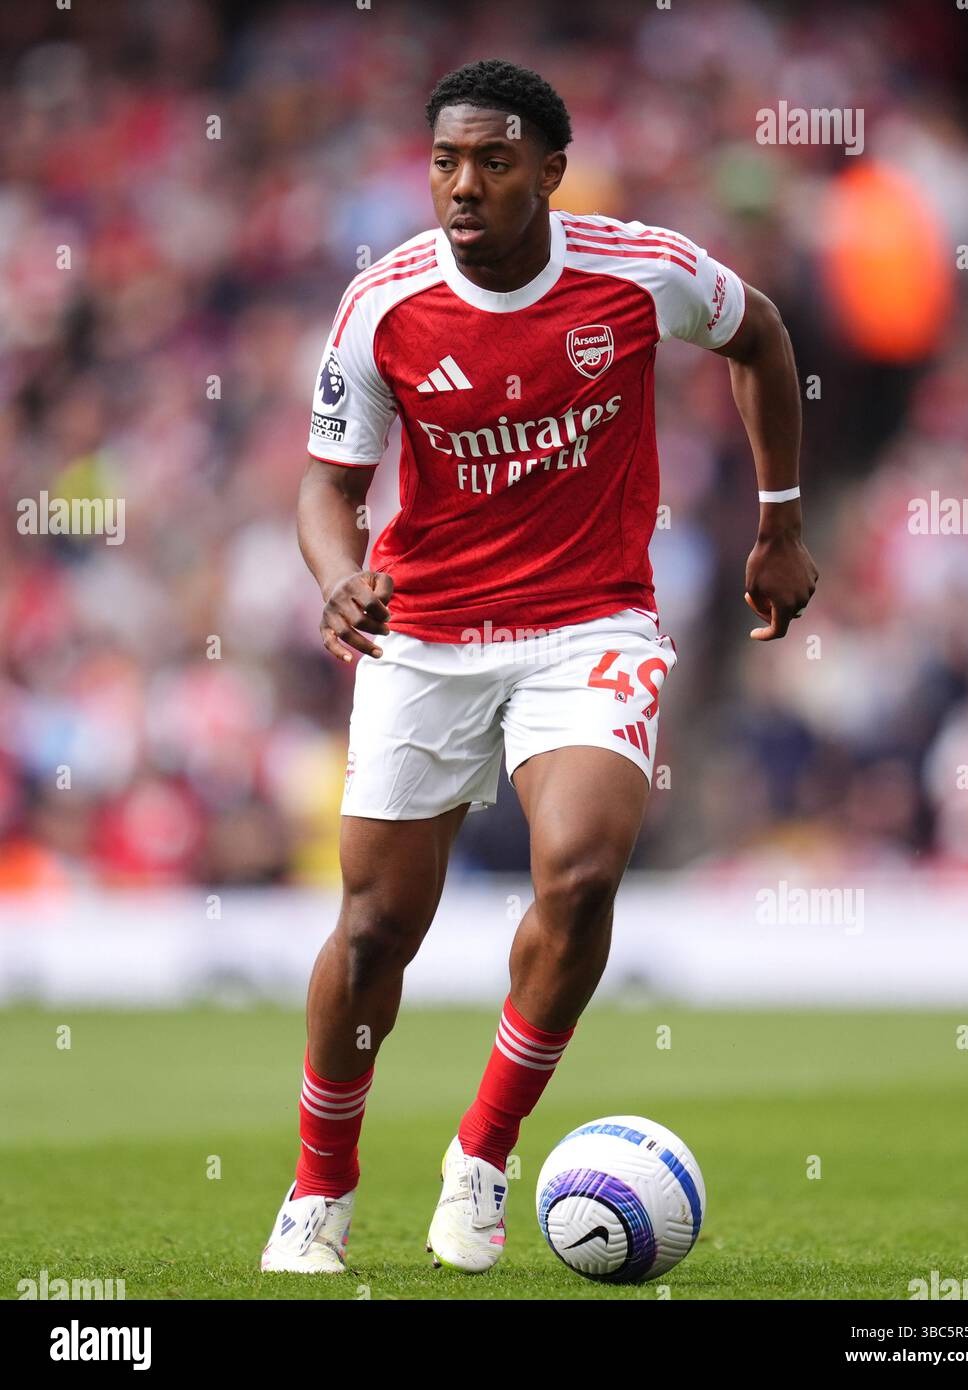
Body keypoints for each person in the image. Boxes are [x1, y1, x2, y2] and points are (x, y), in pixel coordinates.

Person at [261, 58, 817, 1275]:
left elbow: (762, 334)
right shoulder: (383, 305)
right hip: (430, 631)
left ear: (550, 173)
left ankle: (482, 1154)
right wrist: (334, 574)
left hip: (592, 621)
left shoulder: (640, 269)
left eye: (494, 161)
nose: (464, 185)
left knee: (578, 874)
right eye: (447, 162)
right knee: (373, 930)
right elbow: (327, 481)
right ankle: (319, 1188)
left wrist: (777, 519)